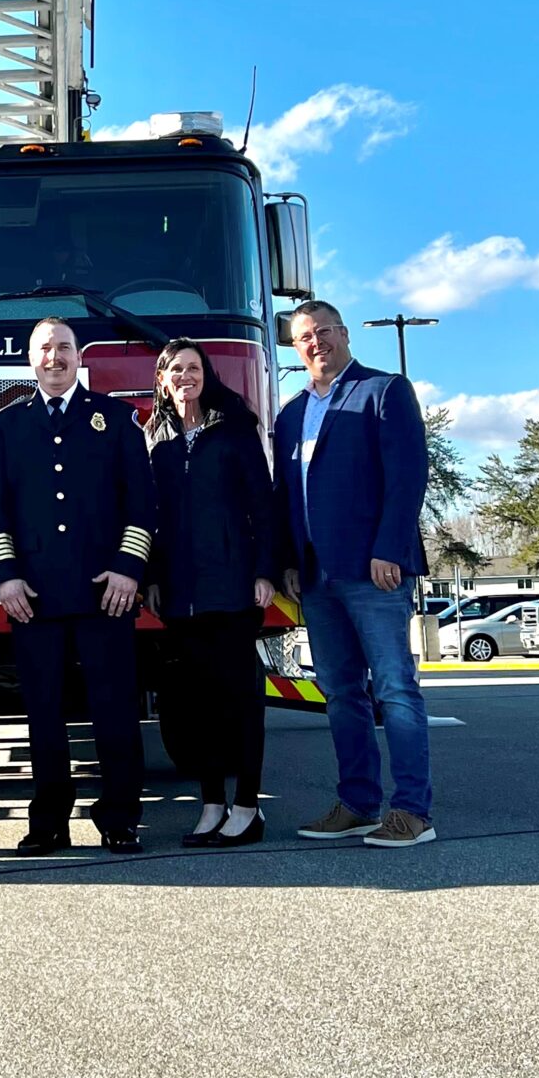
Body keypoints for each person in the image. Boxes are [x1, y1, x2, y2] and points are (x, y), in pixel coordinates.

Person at [0, 317, 156, 854]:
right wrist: (5, 578)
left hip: (107, 592)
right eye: (44, 350)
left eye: (63, 349)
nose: (53, 358)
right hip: (33, 597)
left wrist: (129, 567)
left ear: (80, 357)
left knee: (115, 709)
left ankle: (120, 815)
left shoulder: (117, 419)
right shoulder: (6, 427)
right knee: (44, 713)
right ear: (29, 360)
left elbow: (142, 502)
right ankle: (49, 818)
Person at [274, 301, 435, 848]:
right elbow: (285, 497)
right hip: (316, 577)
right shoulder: (290, 413)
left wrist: (389, 548)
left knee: (394, 689)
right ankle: (359, 803)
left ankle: (412, 811)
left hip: (375, 572)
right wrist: (289, 563)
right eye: (303, 338)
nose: (315, 343)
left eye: (323, 332)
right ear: (295, 349)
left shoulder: (384, 392)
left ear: (343, 334)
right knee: (341, 692)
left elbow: (408, 476)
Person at [145, 340, 276, 850]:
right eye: (174, 369)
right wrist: (154, 577)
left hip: (232, 587)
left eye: (193, 368)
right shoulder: (155, 438)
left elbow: (261, 503)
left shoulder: (234, 427)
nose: (184, 376)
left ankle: (247, 807)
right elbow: (150, 518)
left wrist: (264, 569)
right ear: (162, 379)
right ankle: (211, 804)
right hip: (181, 594)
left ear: (206, 374)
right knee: (197, 706)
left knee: (239, 700)